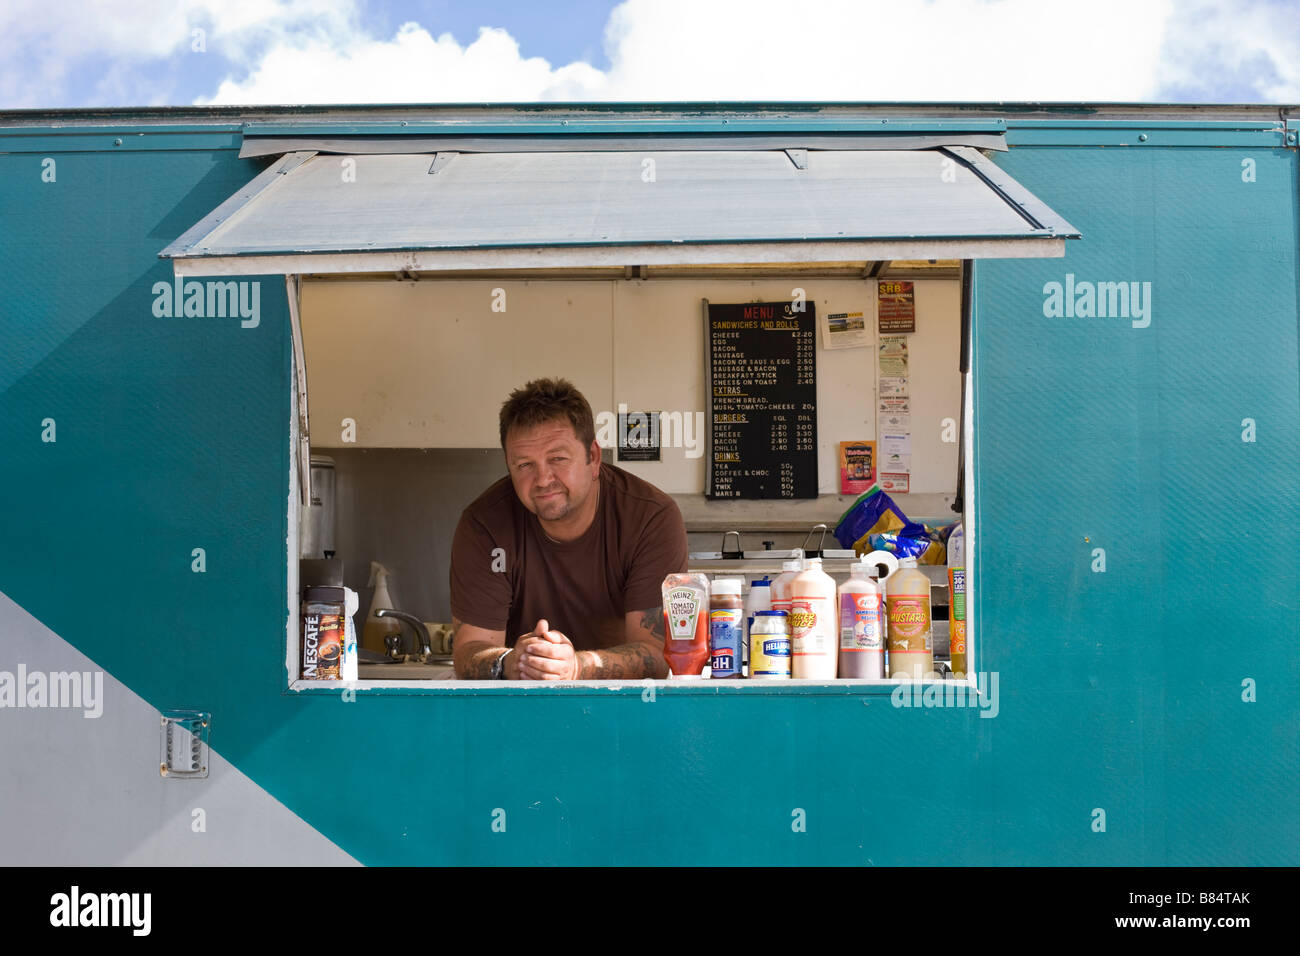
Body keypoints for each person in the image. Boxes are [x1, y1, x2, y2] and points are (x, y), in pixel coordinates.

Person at [450, 378, 688, 680]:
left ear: (593, 457)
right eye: (524, 464)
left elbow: (658, 654)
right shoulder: (484, 525)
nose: (542, 479)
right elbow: (470, 649)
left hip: (624, 706)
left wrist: (575, 666)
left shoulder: (650, 518)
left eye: (558, 459)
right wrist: (512, 661)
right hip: (518, 701)